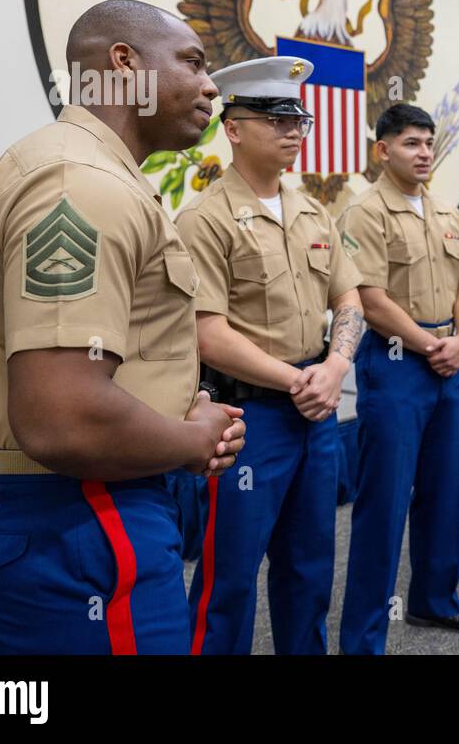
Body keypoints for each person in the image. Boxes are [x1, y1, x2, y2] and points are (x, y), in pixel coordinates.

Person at [0, 0, 246, 654]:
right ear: (124, 64)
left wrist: (169, 405)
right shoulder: (81, 183)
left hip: (55, 505)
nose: (211, 85)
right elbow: (64, 417)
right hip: (71, 514)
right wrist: (191, 440)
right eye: (192, 62)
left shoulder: (96, 175)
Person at [175, 56, 364, 655]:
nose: (293, 130)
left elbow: (349, 295)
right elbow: (208, 331)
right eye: (276, 117)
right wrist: (300, 381)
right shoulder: (204, 218)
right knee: (227, 580)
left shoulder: (312, 208)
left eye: (299, 118)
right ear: (233, 127)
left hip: (317, 411)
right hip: (246, 422)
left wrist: (334, 368)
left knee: (309, 571)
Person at [337, 104, 459, 654]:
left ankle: (435, 599)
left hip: (446, 360)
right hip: (399, 362)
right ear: (383, 150)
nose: (424, 152)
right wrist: (432, 345)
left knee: (445, 490)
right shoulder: (364, 214)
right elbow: (370, 300)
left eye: (429, 143)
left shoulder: (446, 211)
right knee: (384, 504)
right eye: (410, 143)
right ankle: (362, 638)